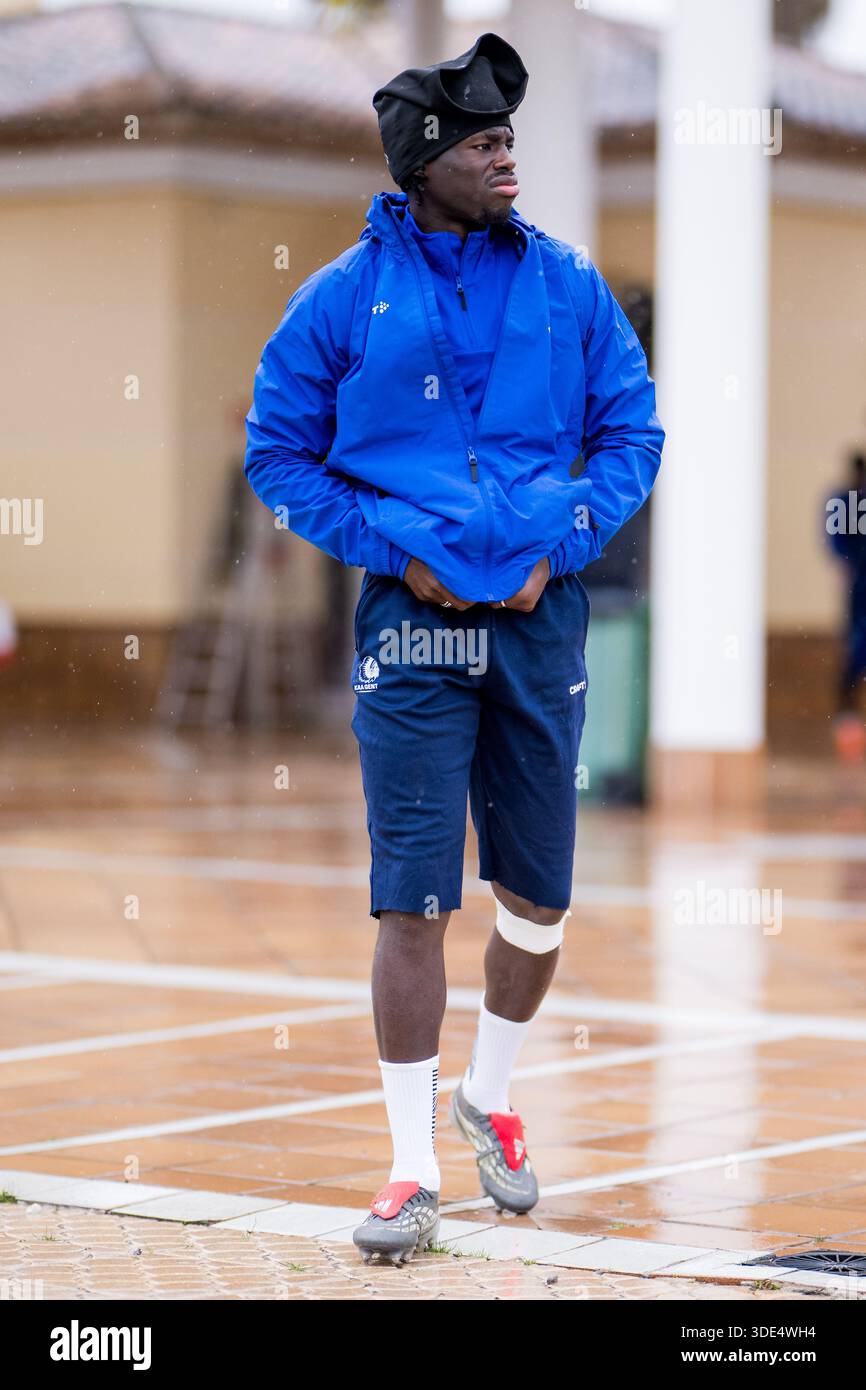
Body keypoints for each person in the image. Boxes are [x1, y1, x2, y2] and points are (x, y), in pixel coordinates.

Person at [245, 31, 664, 1265]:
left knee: (535, 902)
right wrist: (391, 547)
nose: (506, 160)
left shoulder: (567, 286)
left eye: (510, 140)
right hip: (411, 629)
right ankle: (413, 1165)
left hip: (542, 617)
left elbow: (630, 433)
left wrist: (565, 538)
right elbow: (278, 453)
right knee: (412, 896)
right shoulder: (339, 298)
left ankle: (489, 1092)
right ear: (425, 162)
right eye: (484, 144)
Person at [826, 451, 866, 760]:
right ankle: (847, 720)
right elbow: (836, 544)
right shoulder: (845, 501)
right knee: (854, 650)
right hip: (859, 589)